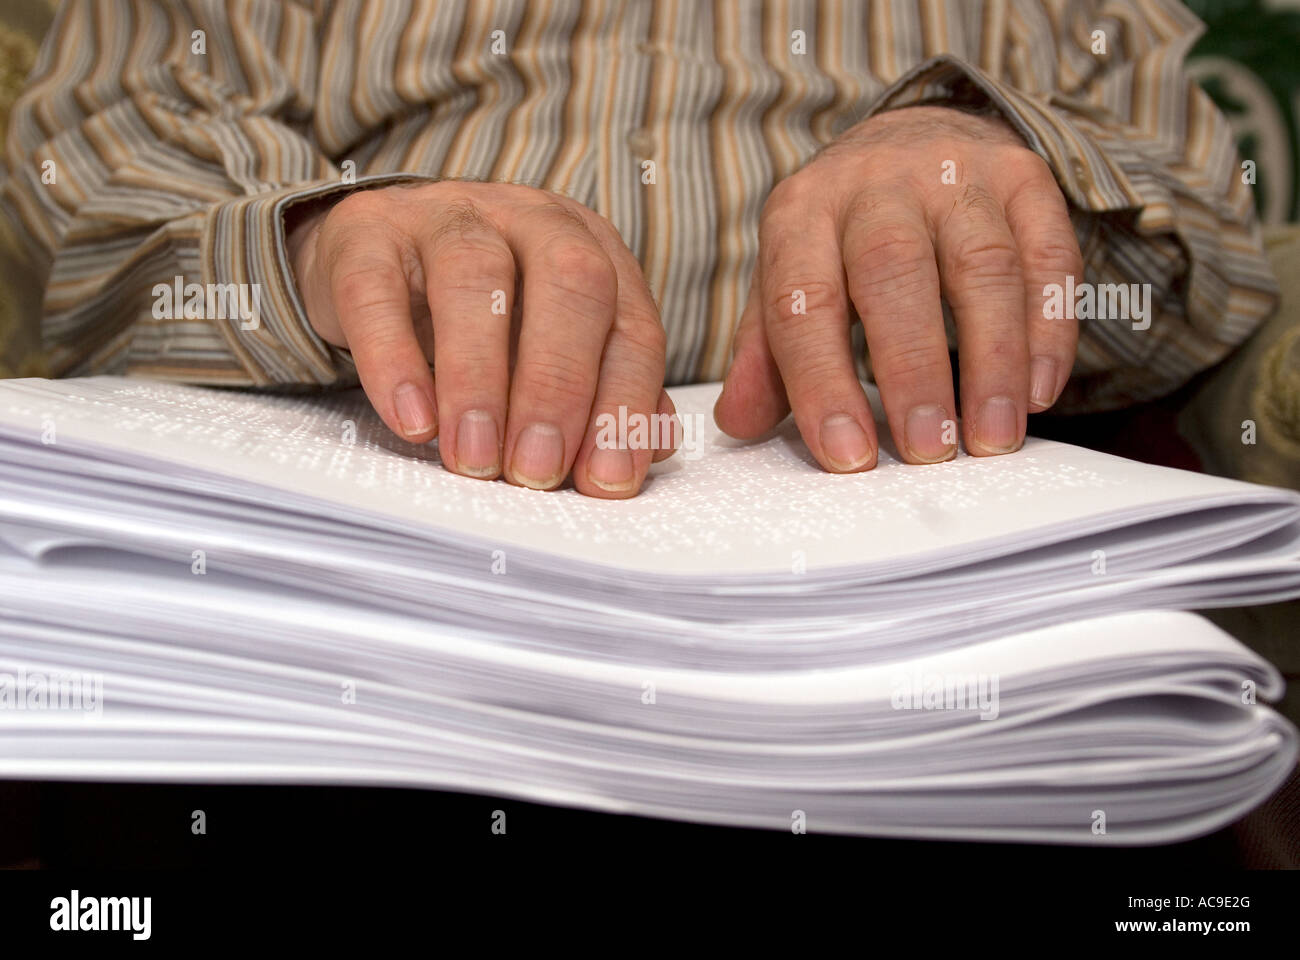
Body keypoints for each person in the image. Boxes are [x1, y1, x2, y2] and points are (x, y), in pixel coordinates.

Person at [0, 0, 1275, 499]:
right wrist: (325, 237)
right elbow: (85, 163)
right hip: (380, 517)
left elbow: (1212, 235)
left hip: (905, 541)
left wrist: (984, 158)